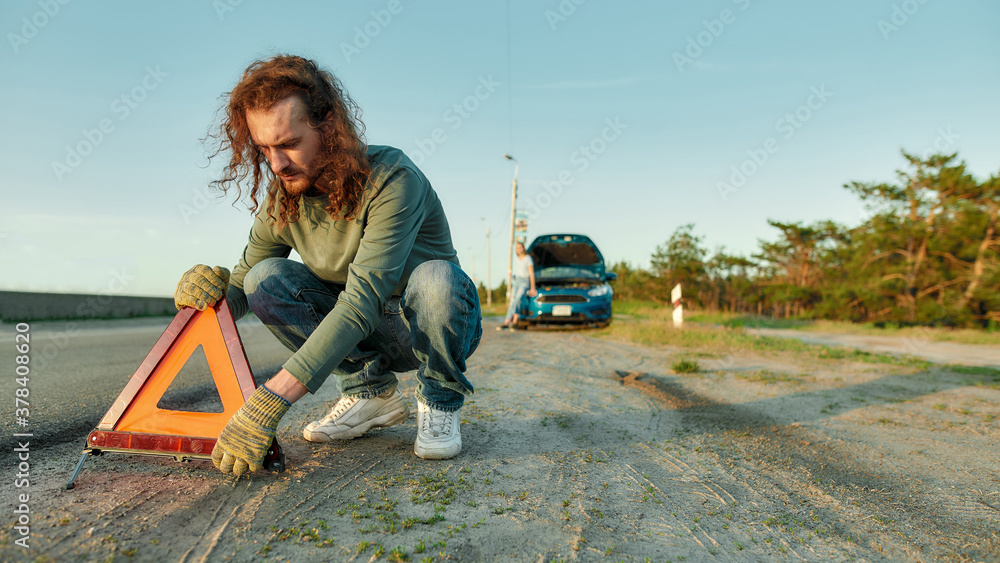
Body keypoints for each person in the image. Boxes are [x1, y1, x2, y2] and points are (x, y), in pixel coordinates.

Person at [172, 55, 482, 476]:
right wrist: (206, 296)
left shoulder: (393, 178)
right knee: (265, 279)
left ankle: (440, 400)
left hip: (425, 323)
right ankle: (370, 394)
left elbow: (362, 301)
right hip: (363, 331)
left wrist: (271, 398)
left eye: (288, 143)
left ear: (329, 126)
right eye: (264, 149)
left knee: (435, 278)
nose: (276, 164)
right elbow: (244, 287)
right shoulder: (283, 198)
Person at [500, 242, 536, 330]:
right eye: (517, 248)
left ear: (523, 248)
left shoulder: (528, 259)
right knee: (513, 301)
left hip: (525, 282)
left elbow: (531, 274)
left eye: (520, 247)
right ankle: (509, 322)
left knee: (517, 299)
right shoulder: (517, 259)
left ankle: (512, 321)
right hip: (517, 281)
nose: (518, 249)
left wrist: (533, 288)